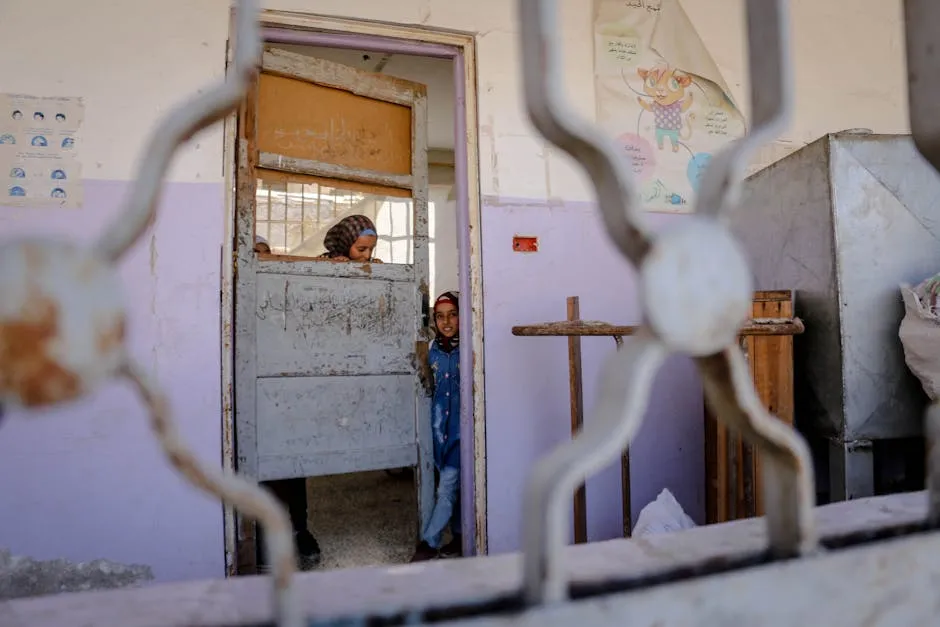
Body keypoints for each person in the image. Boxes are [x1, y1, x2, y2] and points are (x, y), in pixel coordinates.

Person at [411, 291, 463, 561]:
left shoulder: (468, 349)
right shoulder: (433, 350)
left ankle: (428, 544)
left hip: (460, 434)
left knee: (446, 488)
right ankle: (459, 537)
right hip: (438, 432)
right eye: (440, 316)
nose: (447, 322)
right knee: (451, 487)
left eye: (453, 314)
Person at [316, 214, 384, 263]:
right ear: (345, 245)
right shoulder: (324, 260)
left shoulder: (369, 263)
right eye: (361, 249)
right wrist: (335, 263)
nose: (367, 255)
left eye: (371, 249)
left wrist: (378, 267)